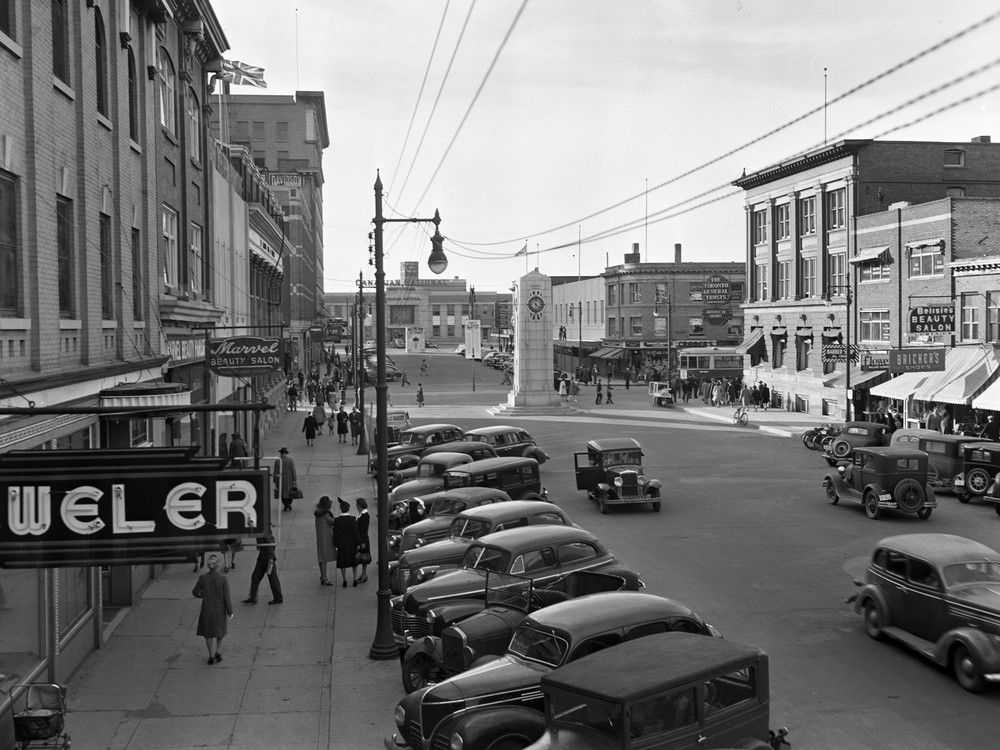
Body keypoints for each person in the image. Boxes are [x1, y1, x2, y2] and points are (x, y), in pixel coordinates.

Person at [192, 555, 232, 665]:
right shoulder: (223, 579)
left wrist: (203, 594)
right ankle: (218, 651)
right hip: (219, 609)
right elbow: (227, 597)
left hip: (207, 609)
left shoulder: (203, 578)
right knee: (220, 632)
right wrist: (230, 611)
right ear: (218, 565)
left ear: (209, 566)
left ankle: (210, 655)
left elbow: (195, 592)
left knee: (208, 633)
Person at [243, 529, 282, 604]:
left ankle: (278, 597)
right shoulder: (259, 530)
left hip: (268, 558)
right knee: (255, 576)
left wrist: (271, 559)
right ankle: (253, 597)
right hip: (262, 557)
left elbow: (271, 544)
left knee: (272, 578)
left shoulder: (265, 531)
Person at [332, 498, 361, 587]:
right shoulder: (352, 519)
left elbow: (335, 534)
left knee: (342, 562)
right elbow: (355, 532)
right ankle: (355, 579)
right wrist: (358, 543)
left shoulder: (337, 520)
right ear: (348, 509)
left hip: (342, 543)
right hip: (351, 543)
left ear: (341, 509)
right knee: (354, 562)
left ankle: (344, 580)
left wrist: (336, 544)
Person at [313, 496, 337, 585]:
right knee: (324, 558)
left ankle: (323, 576)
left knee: (321, 558)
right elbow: (333, 522)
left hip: (320, 538)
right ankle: (324, 577)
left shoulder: (318, 513)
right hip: (326, 538)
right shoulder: (326, 515)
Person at [273, 447, 298, 511]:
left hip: (280, 478)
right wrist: (294, 479)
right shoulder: (290, 460)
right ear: (286, 453)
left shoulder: (278, 461)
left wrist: (275, 480)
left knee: (282, 492)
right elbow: (293, 470)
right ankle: (289, 504)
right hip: (289, 478)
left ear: (281, 453)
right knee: (290, 492)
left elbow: (275, 471)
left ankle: (285, 505)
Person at [356, 498, 371, 583]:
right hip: (363, 539)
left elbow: (363, 530)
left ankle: (364, 575)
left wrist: (362, 542)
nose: (356, 507)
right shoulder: (361, 514)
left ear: (359, 505)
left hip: (363, 540)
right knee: (362, 558)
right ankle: (363, 575)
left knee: (364, 558)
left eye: (357, 505)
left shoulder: (364, 515)